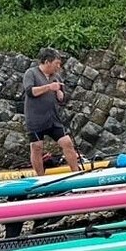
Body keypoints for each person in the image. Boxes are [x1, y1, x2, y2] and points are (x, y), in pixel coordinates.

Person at [21, 47, 82, 176]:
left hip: (53, 118)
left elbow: (62, 98)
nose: (58, 67)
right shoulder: (31, 73)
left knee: (67, 143)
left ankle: (76, 173)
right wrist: (49, 87)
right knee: (37, 147)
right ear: (47, 61)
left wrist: (60, 93)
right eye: (56, 63)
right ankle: (41, 177)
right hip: (36, 119)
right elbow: (30, 92)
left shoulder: (56, 76)